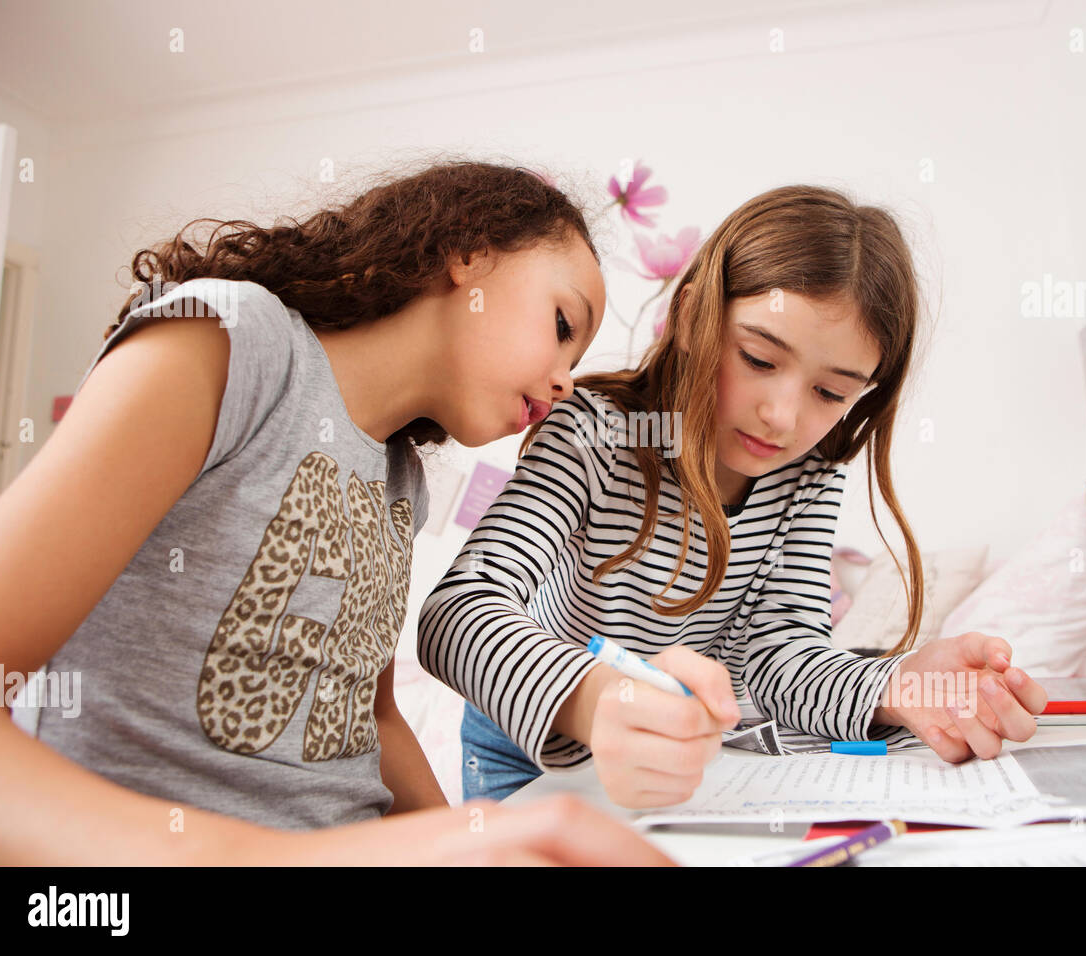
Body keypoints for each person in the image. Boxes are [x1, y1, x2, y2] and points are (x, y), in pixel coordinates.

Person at [0, 159, 672, 865]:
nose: (564, 380)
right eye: (561, 324)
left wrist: (469, 840)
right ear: (471, 253)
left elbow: (372, 718)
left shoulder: (401, 480)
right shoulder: (233, 340)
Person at [418, 185, 1048, 807]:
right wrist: (598, 701)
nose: (781, 417)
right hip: (530, 745)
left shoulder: (809, 475)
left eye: (830, 394)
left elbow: (782, 656)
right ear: (692, 316)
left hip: (673, 756)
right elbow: (457, 614)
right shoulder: (592, 431)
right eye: (758, 358)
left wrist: (898, 684)